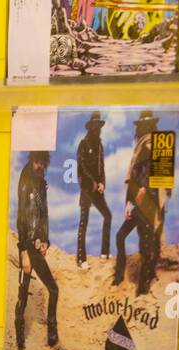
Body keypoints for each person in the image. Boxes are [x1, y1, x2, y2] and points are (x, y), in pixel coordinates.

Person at [14, 151, 63, 350]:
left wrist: (45, 241)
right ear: (32, 160)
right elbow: (22, 216)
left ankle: (52, 338)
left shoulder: (41, 183)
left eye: (43, 162)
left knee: (53, 289)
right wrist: (24, 250)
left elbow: (44, 216)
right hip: (27, 247)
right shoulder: (25, 179)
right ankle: (20, 343)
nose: (39, 166)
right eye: (37, 162)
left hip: (36, 247)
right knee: (23, 293)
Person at [112, 111, 161, 297]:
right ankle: (118, 277)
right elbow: (132, 178)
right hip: (136, 205)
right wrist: (127, 203)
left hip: (148, 204)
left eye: (147, 124)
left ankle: (142, 291)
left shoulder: (155, 146)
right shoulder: (139, 148)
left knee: (145, 246)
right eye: (142, 125)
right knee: (120, 236)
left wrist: (146, 190)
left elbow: (159, 178)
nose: (144, 128)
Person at [76, 112, 111, 270]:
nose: (98, 129)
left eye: (99, 126)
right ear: (91, 127)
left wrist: (102, 182)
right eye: (95, 126)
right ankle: (81, 258)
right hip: (87, 188)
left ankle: (104, 252)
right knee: (84, 222)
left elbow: (101, 166)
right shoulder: (83, 144)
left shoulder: (99, 145)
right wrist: (93, 182)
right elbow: (81, 167)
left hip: (98, 189)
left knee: (107, 216)